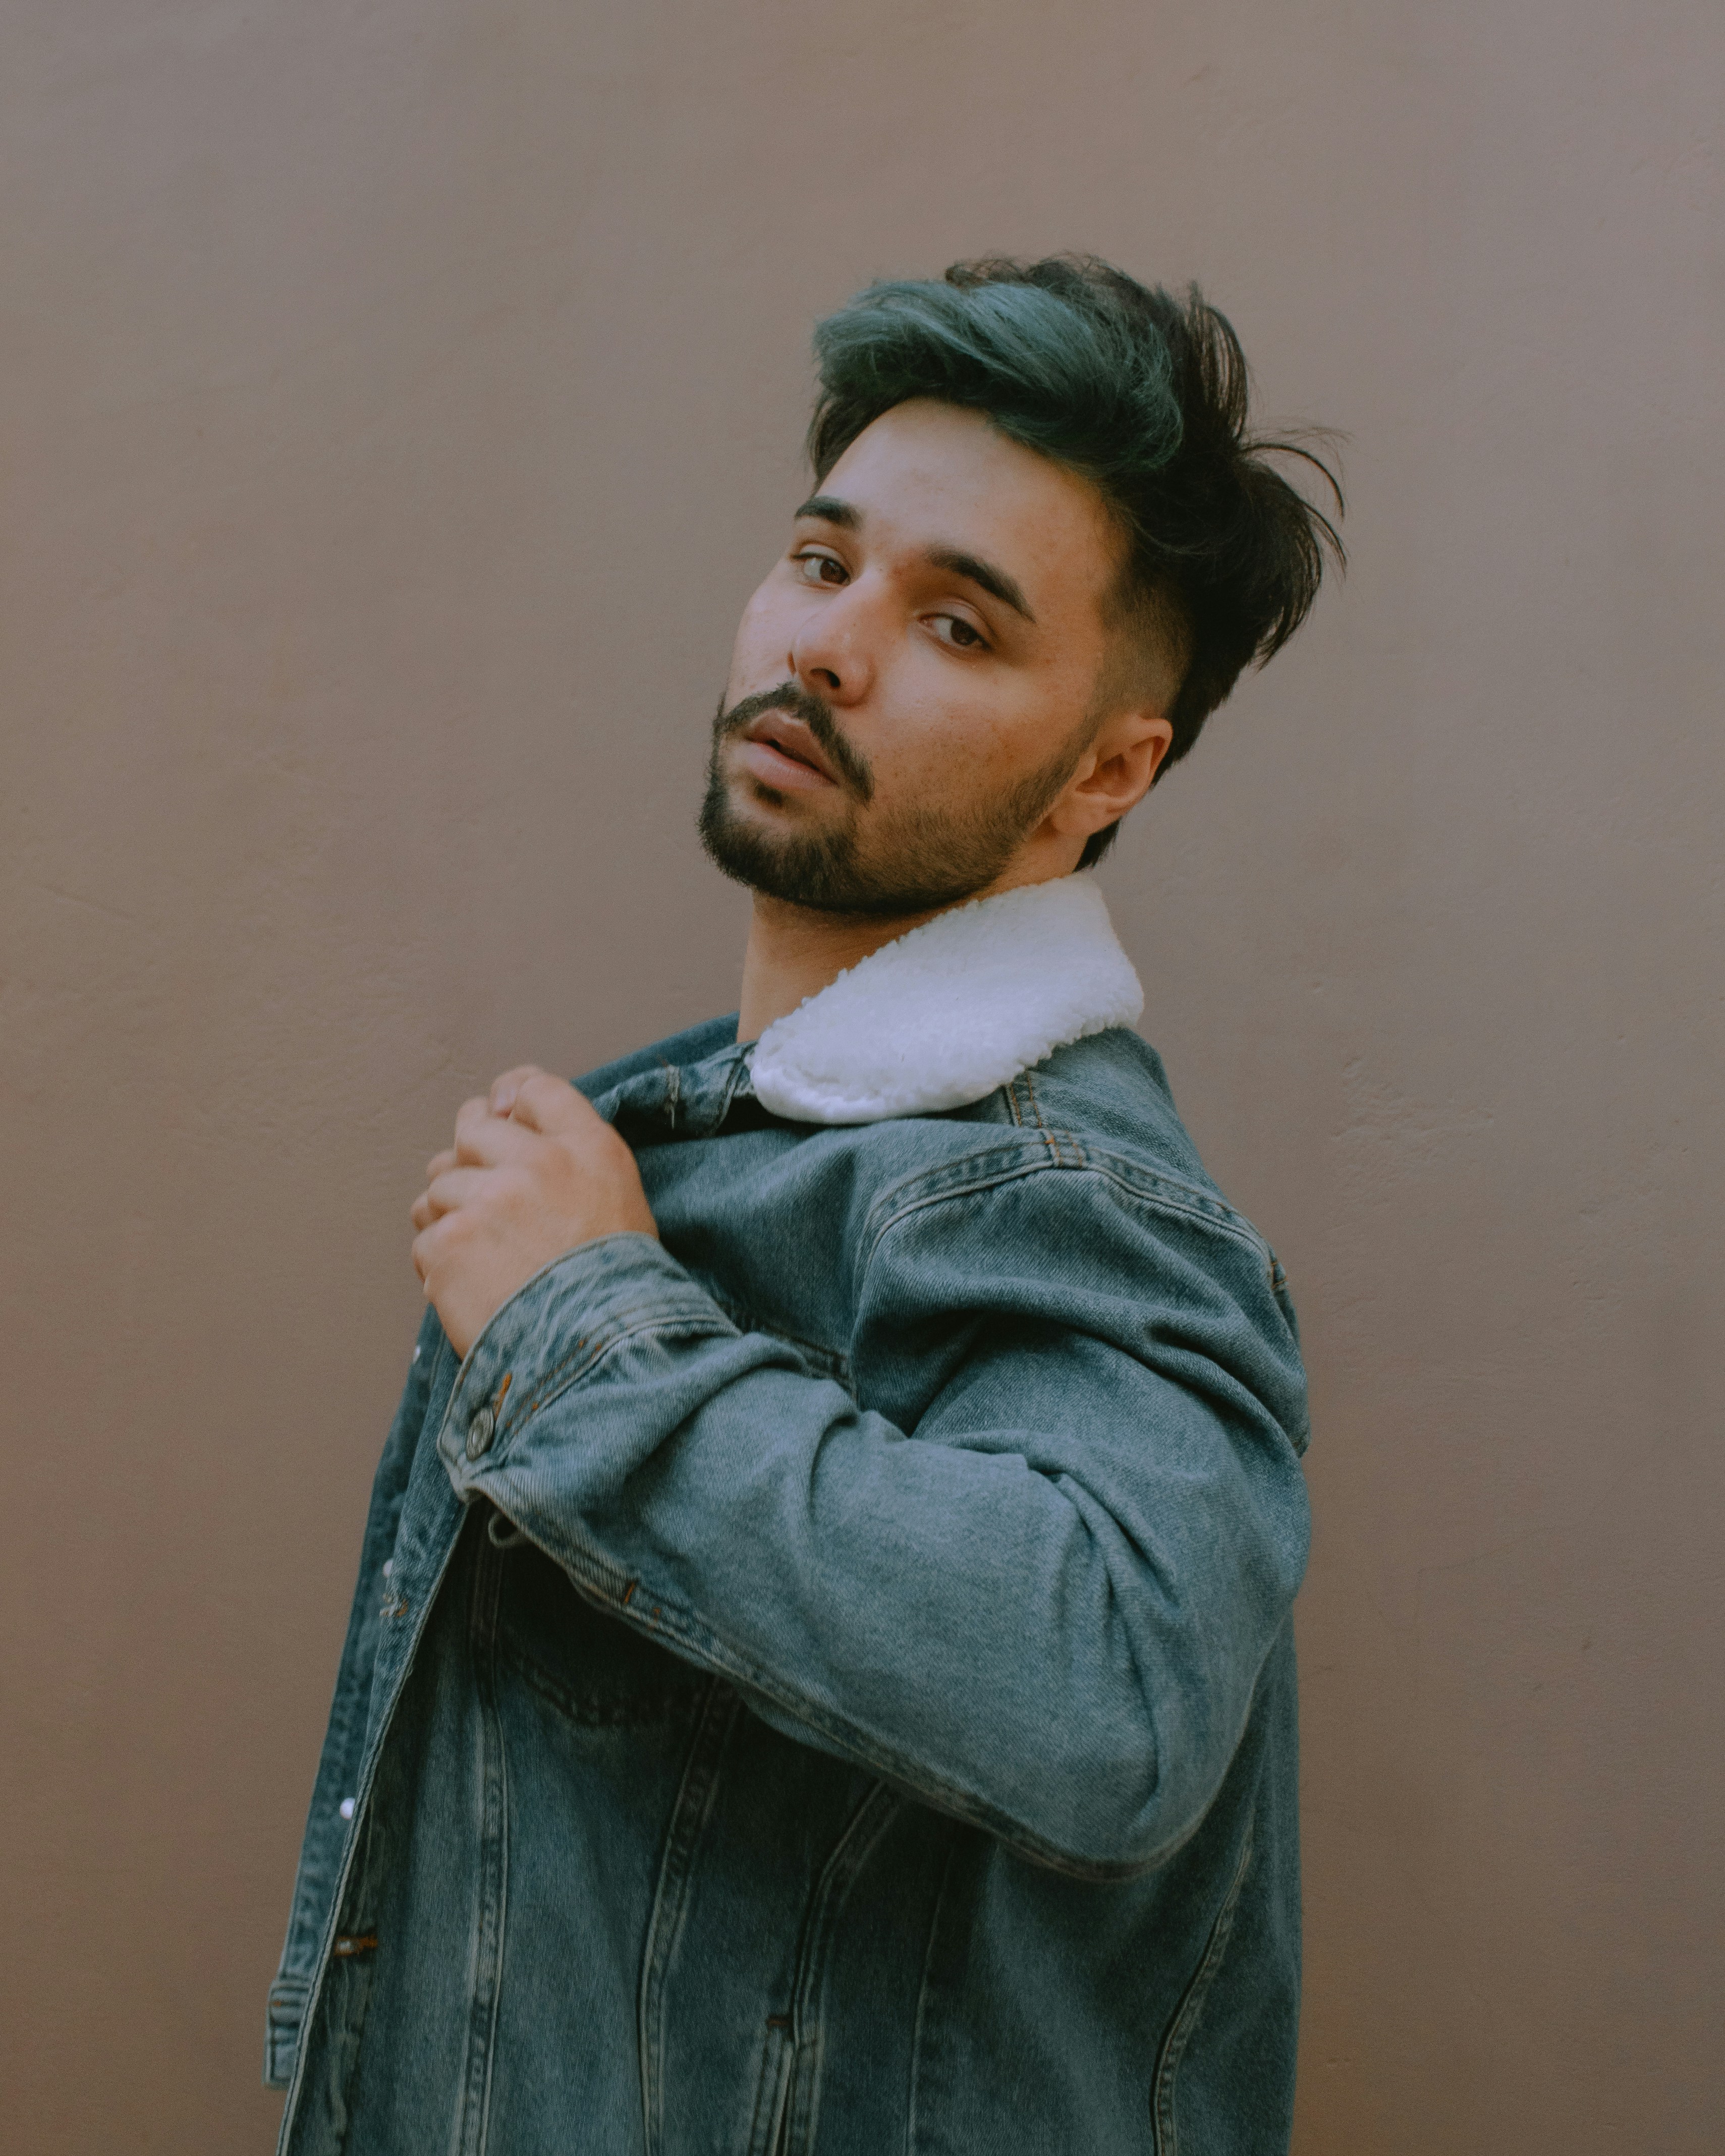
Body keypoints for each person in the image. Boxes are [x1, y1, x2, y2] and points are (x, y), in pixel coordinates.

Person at [266, 254, 1342, 2155]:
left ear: (1106, 769)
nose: (826, 648)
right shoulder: (677, 1146)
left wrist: (583, 1330)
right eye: (824, 563)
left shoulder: (1070, 1201)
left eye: (960, 626)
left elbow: (1110, 1690)